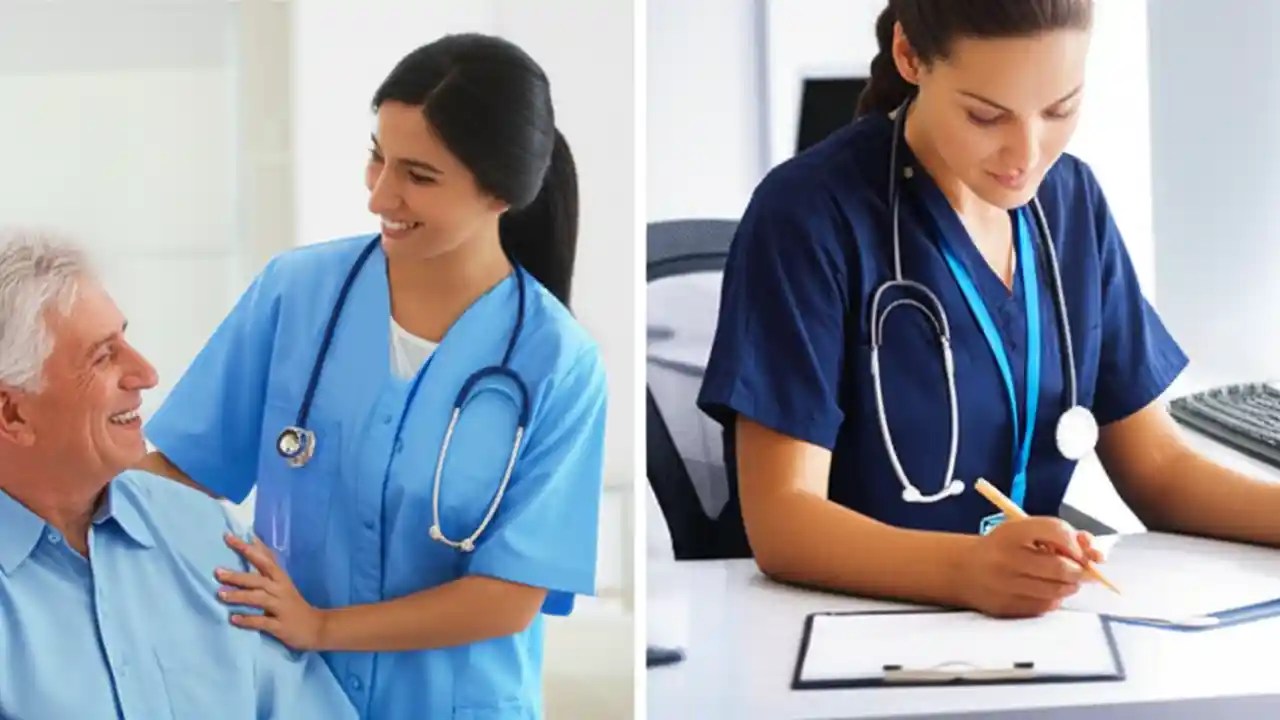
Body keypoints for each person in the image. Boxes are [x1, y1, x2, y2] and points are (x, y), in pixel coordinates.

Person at [698, 0, 1280, 620]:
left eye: (1060, 109)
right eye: (985, 115)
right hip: (841, 632)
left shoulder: (1070, 203)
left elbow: (1159, 469)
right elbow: (784, 520)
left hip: (1026, 629)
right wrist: (967, 571)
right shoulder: (808, 215)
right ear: (909, 57)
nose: (1026, 154)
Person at [138, 33, 608, 719]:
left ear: (500, 192)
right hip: (287, 695)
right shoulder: (294, 295)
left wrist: (323, 627)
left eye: (418, 176)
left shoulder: (559, 364)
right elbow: (181, 472)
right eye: (376, 158)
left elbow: (508, 598)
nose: (380, 195)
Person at [0, 230, 355, 720]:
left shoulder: (208, 535)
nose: (146, 374)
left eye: (124, 338)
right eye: (102, 356)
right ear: (12, 414)